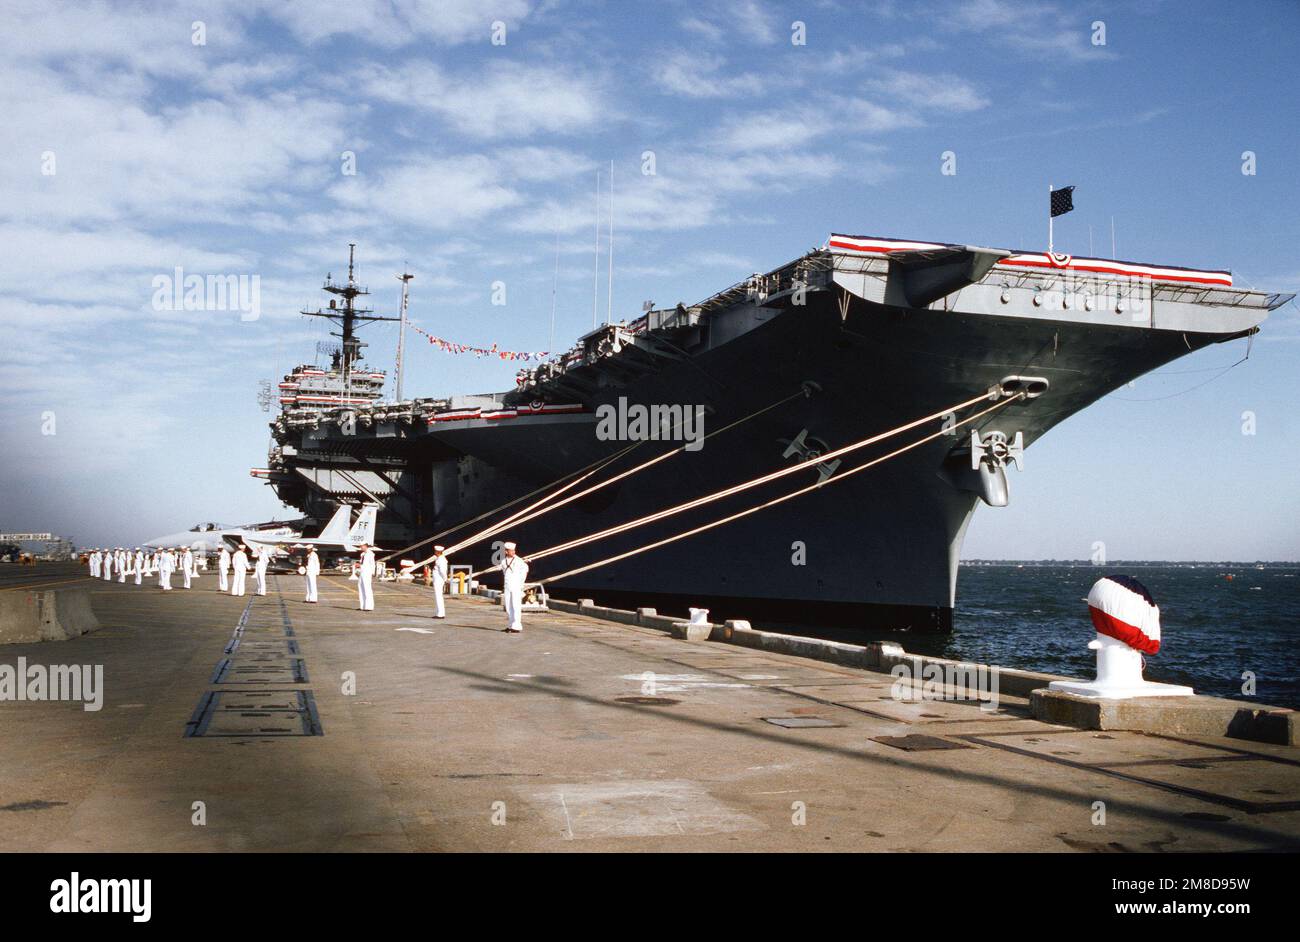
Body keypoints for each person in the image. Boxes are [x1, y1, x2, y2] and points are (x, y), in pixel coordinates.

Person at [499, 541, 529, 633]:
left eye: (514, 550)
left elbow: (525, 570)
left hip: (516, 586)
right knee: (508, 606)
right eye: (511, 551)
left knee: (516, 606)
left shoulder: (519, 561)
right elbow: (505, 573)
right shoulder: (503, 561)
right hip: (508, 586)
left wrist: (521, 584)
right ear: (506, 551)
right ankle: (511, 625)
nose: (513, 552)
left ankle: (517, 626)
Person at [356, 543, 375, 611]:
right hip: (362, 572)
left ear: (365, 546)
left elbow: (372, 564)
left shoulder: (370, 554)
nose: (361, 547)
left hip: (367, 572)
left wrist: (372, 572)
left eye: (362, 546)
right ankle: (363, 606)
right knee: (361, 588)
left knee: (367, 589)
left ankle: (369, 606)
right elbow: (362, 563)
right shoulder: (363, 554)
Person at [431, 545, 448, 618]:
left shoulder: (441, 560)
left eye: (435, 551)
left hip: (439, 580)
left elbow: (442, 571)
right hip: (438, 579)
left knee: (438, 596)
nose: (434, 552)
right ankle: (440, 613)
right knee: (438, 596)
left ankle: (440, 614)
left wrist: (445, 579)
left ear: (438, 552)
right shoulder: (439, 559)